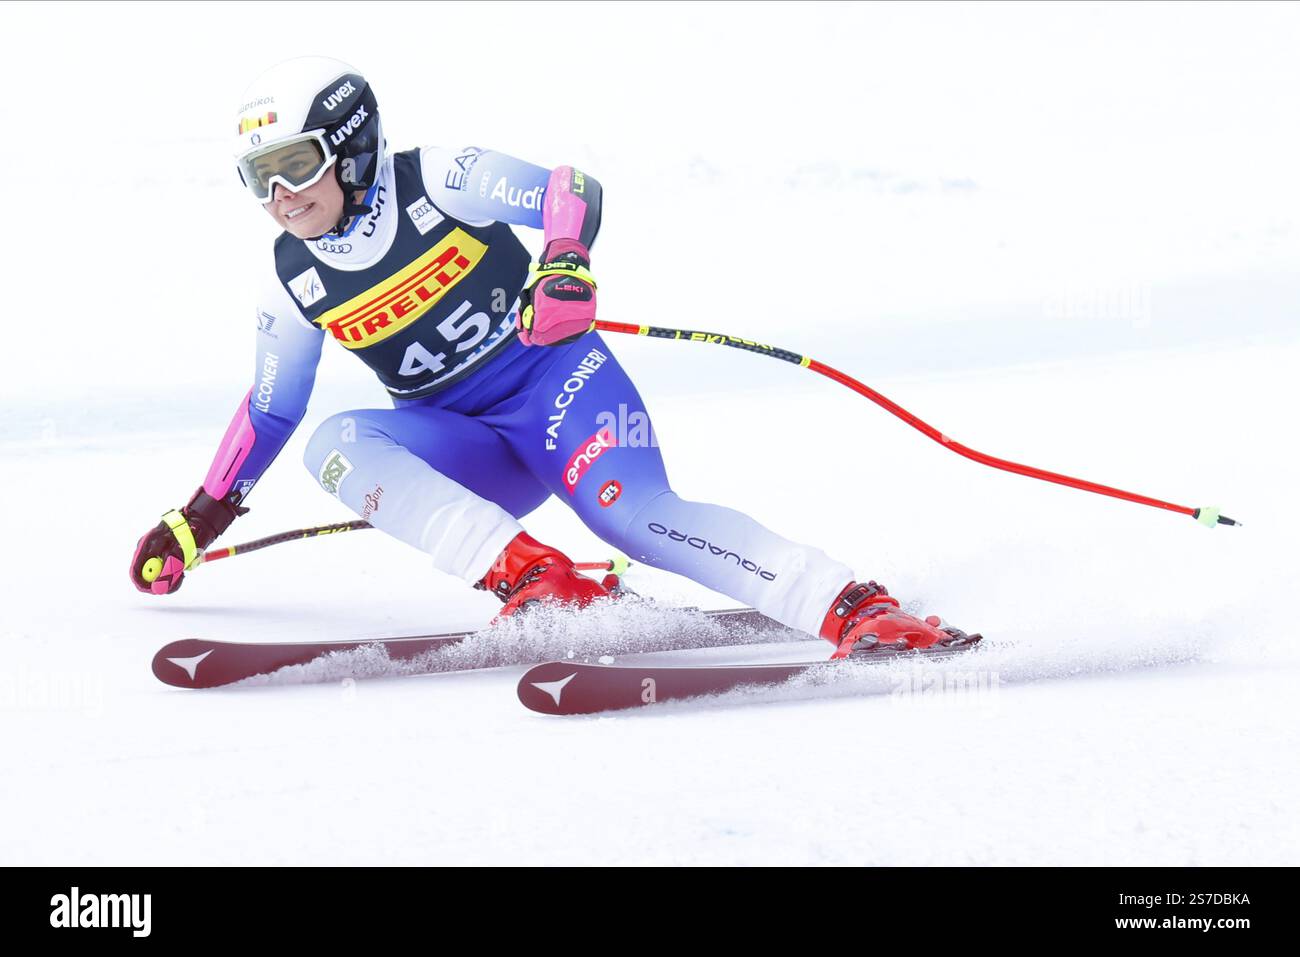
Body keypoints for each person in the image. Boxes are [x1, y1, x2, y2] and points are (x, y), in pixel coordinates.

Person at [128, 56, 967, 656]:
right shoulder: (294, 280)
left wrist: (563, 259)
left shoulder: (440, 177)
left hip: (560, 391)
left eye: (295, 166)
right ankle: (537, 579)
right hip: (470, 446)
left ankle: (848, 603)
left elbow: (569, 189)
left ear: (347, 146)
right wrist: (203, 512)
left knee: (631, 518)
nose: (280, 198)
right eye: (258, 179)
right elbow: (272, 408)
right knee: (334, 444)